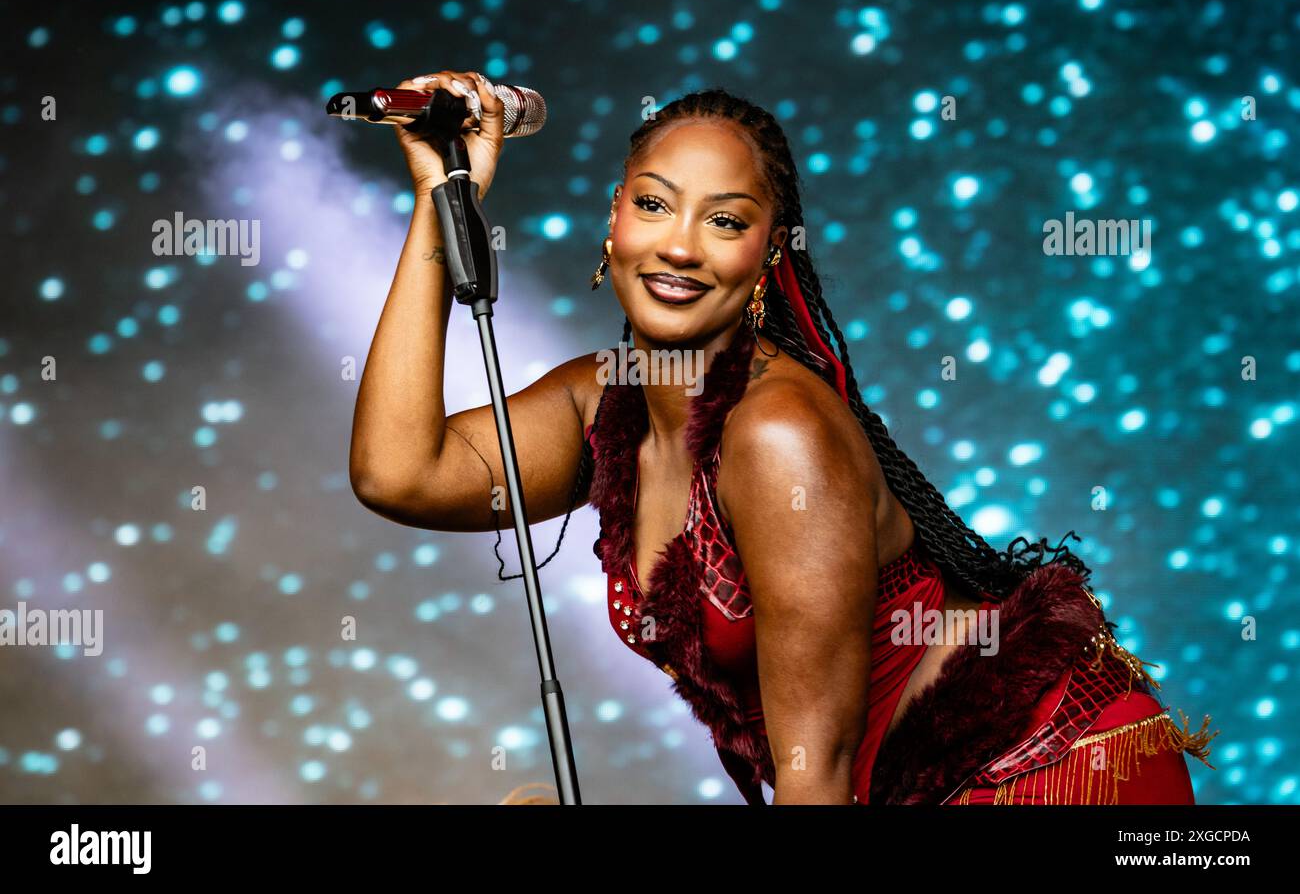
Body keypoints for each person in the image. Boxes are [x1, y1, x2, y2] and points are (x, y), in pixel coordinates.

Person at [349, 71, 1217, 805]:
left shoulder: (776, 435)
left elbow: (816, 779)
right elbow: (402, 473)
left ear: (768, 252)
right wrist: (440, 200)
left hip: (1039, 770)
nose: (679, 247)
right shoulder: (604, 402)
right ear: (613, 219)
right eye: (654, 205)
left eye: (724, 221)